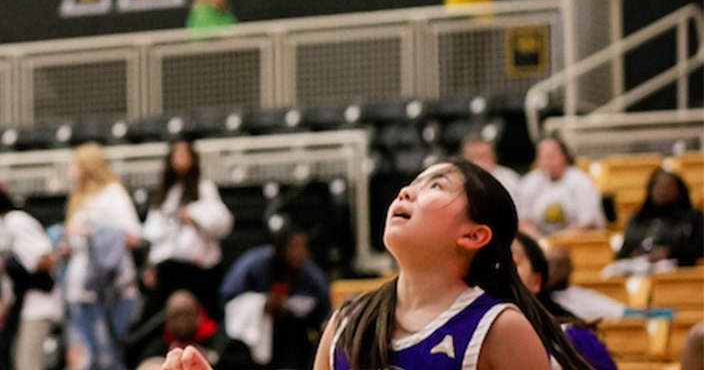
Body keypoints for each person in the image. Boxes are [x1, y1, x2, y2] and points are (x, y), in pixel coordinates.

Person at [159, 161, 596, 370]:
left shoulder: (499, 328)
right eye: (411, 182)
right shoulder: (348, 320)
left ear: (474, 235)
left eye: (436, 185)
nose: (407, 191)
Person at [58, 142, 143, 370]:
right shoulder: (78, 197)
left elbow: (134, 236)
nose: (71, 170)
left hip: (109, 288)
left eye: (75, 164)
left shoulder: (112, 193)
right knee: (85, 358)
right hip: (79, 288)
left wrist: (92, 231)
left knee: (108, 356)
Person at [141, 137, 233, 319]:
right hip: (168, 269)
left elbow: (223, 222)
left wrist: (193, 216)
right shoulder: (163, 193)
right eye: (177, 155)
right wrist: (150, 265)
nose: (181, 160)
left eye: (185, 155)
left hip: (197, 270)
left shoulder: (204, 188)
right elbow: (152, 234)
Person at [217, 223, 329, 369]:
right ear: (280, 247)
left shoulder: (310, 274)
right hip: (253, 339)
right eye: (293, 246)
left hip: (293, 338)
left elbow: (323, 309)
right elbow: (227, 298)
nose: (299, 253)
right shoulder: (254, 265)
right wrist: (261, 303)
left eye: (303, 247)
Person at [513, 232, 618, 370]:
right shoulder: (479, 332)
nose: (498, 270)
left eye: (512, 263)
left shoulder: (575, 337)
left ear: (536, 280)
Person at [0, 183, 61, 370]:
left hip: (38, 303)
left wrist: (8, 265)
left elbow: (48, 258)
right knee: (9, 358)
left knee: (28, 363)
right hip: (17, 305)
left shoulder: (16, 220)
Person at [516, 136, 603, 237]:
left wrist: (558, 239)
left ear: (564, 156)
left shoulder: (581, 181)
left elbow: (588, 222)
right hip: (540, 241)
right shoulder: (528, 182)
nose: (546, 161)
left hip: (575, 240)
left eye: (550, 156)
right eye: (541, 156)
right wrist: (540, 240)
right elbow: (523, 221)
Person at [616, 169, 704, 268]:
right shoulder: (638, 218)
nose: (662, 191)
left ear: (679, 190)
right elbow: (622, 253)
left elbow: (700, 247)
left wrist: (671, 252)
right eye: (658, 187)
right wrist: (633, 254)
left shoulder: (693, 217)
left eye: (667, 187)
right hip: (638, 269)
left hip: (678, 271)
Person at [131, 290, 224, 369]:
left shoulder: (217, 340)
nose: (182, 321)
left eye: (188, 314)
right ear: (167, 319)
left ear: (198, 315)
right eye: (176, 316)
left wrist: (210, 358)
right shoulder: (155, 349)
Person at [462, 135, 522, 200]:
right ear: (465, 159)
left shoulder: (510, 178)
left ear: (494, 156)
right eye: (477, 157)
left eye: (485, 156)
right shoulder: (458, 180)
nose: (481, 162)